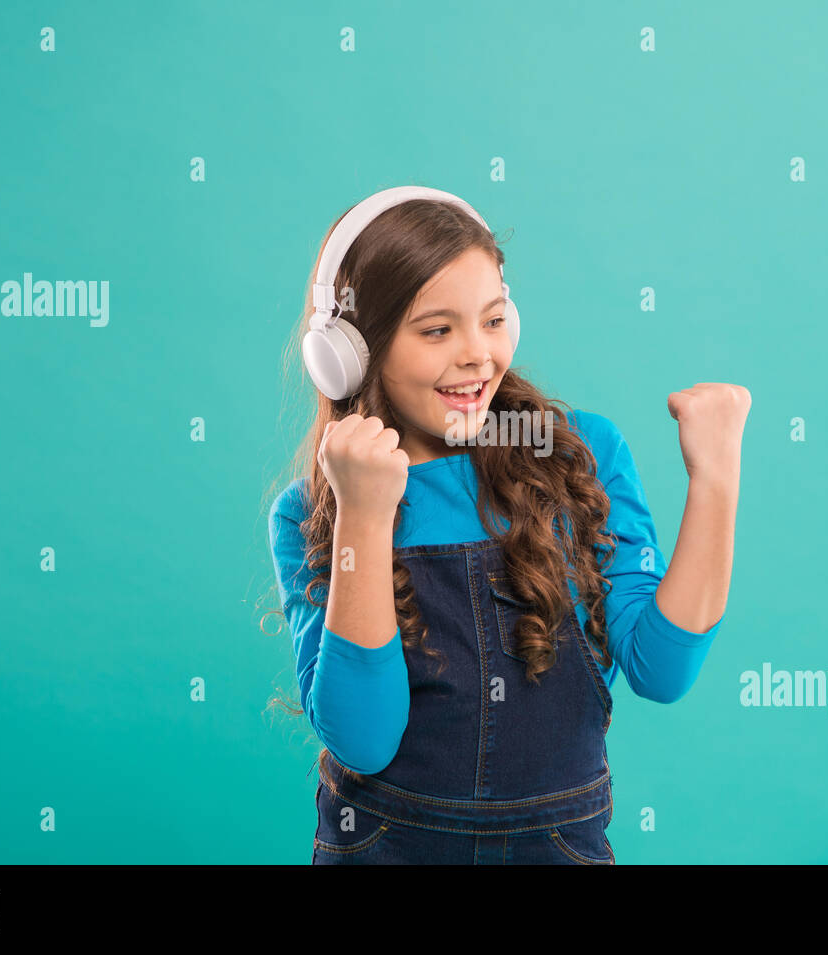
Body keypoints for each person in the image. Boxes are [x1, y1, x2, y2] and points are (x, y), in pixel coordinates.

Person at [267, 186, 750, 864]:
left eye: (493, 319)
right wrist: (365, 518)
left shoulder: (582, 456)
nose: (477, 355)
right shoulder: (312, 510)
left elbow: (661, 667)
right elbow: (364, 738)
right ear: (350, 350)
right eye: (437, 330)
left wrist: (716, 480)